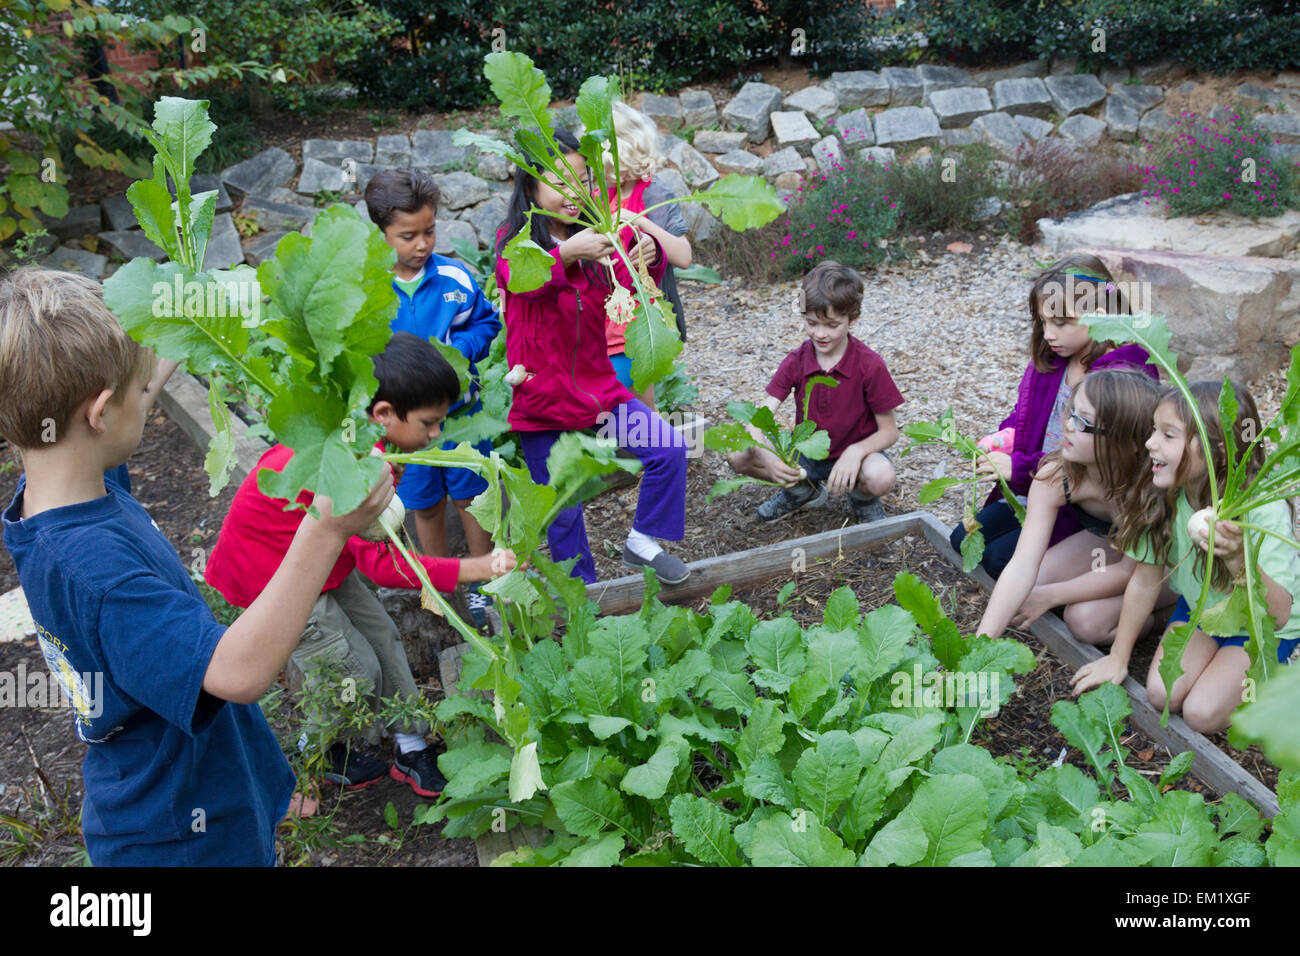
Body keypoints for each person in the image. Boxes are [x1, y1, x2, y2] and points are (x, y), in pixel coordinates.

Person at [0, 267, 391, 865]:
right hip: (179, 833)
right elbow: (236, 672)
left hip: (191, 786)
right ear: (101, 412)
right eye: (137, 391)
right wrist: (326, 529)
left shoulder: (62, 483)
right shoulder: (95, 570)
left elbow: (124, 397)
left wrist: (183, 324)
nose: (146, 396)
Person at [206, 333, 516, 797]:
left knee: (382, 637)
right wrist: (477, 567)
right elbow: (384, 568)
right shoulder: (354, 470)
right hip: (270, 578)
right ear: (385, 414)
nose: (436, 436)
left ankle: (411, 747)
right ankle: (299, 769)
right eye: (429, 424)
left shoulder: (369, 446)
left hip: (322, 563)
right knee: (349, 672)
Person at [495, 128, 690, 585]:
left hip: (600, 391)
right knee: (564, 510)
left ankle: (642, 542)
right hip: (543, 401)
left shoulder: (594, 233)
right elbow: (520, 278)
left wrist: (647, 253)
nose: (573, 192)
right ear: (529, 185)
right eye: (559, 181)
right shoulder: (516, 237)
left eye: (582, 180)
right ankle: (584, 600)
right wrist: (565, 253)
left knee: (669, 448)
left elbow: (625, 275)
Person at [1071, 380, 1300, 733]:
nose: (1150, 443)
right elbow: (1145, 581)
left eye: (1168, 435)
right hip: (1201, 611)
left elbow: (1278, 614)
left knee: (1200, 714)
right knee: (1162, 695)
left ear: (1217, 453)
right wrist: (1118, 657)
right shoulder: (1163, 493)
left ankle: (1273, 682)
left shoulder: (1264, 510)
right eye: (1153, 430)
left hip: (1262, 629)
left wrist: (1239, 558)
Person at [950, 253, 1158, 577]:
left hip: (1083, 505)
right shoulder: (1056, 357)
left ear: (1098, 316)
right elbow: (1027, 414)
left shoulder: (1123, 373)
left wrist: (1018, 468)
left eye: (1060, 323)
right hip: (1035, 485)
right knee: (962, 539)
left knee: (998, 561)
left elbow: (1101, 461)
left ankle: (1088, 576)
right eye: (1043, 322)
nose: (1048, 333)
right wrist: (1005, 437)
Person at [365, 167, 501, 629]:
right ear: (381, 233)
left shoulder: (454, 278)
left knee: (472, 498)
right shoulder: (368, 289)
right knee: (422, 505)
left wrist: (457, 353)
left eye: (429, 231)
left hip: (460, 417)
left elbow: (487, 324)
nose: (421, 244)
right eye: (407, 236)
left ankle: (485, 585)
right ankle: (439, 586)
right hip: (406, 431)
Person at [975, 368, 1172, 645]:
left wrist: (1051, 595)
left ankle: (1165, 615)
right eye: (1071, 412)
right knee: (1034, 581)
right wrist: (980, 644)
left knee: (1085, 621)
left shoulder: (1150, 490)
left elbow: (1129, 572)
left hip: (1169, 563)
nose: (1067, 425)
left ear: (1128, 443)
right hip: (1114, 541)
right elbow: (1021, 566)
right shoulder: (1057, 476)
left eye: (1083, 422)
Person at [728, 260, 901, 524]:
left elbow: (889, 431)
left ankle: (862, 497)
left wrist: (856, 451)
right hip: (806, 453)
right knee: (738, 455)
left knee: (881, 476)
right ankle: (802, 491)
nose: (820, 334)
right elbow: (757, 420)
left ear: (852, 320)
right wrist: (767, 456)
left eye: (832, 325)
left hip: (855, 453)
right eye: (811, 323)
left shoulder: (869, 364)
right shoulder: (796, 360)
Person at [602, 101, 693, 407]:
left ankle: (657, 450)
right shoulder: (600, 195)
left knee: (641, 400)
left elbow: (683, 256)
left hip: (645, 313)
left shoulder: (654, 192)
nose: (607, 174)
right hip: (608, 313)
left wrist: (639, 221)